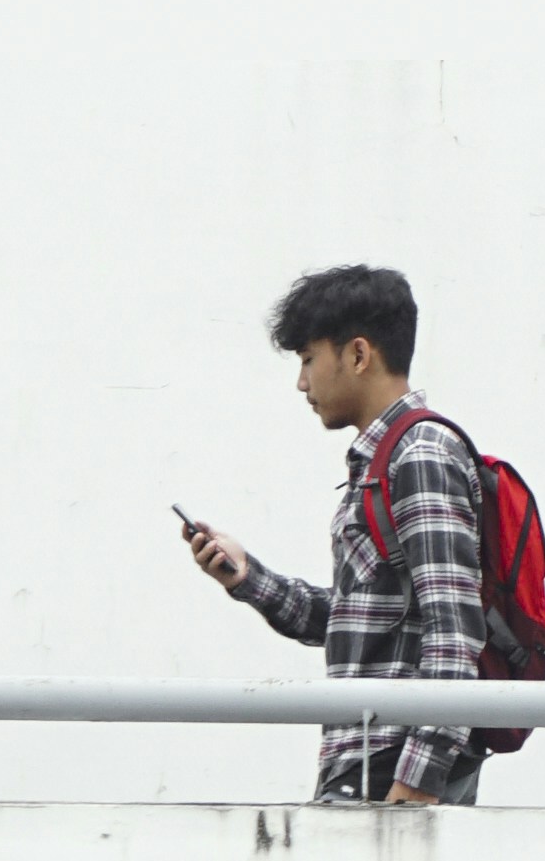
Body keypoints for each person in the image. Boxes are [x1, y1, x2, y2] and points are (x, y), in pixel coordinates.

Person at [177, 265, 491, 806]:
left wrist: (417, 780)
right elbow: (359, 621)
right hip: (369, 758)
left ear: (358, 355)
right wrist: (249, 578)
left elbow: (454, 627)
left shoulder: (418, 455)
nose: (302, 383)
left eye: (307, 360)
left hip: (391, 762)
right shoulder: (386, 461)